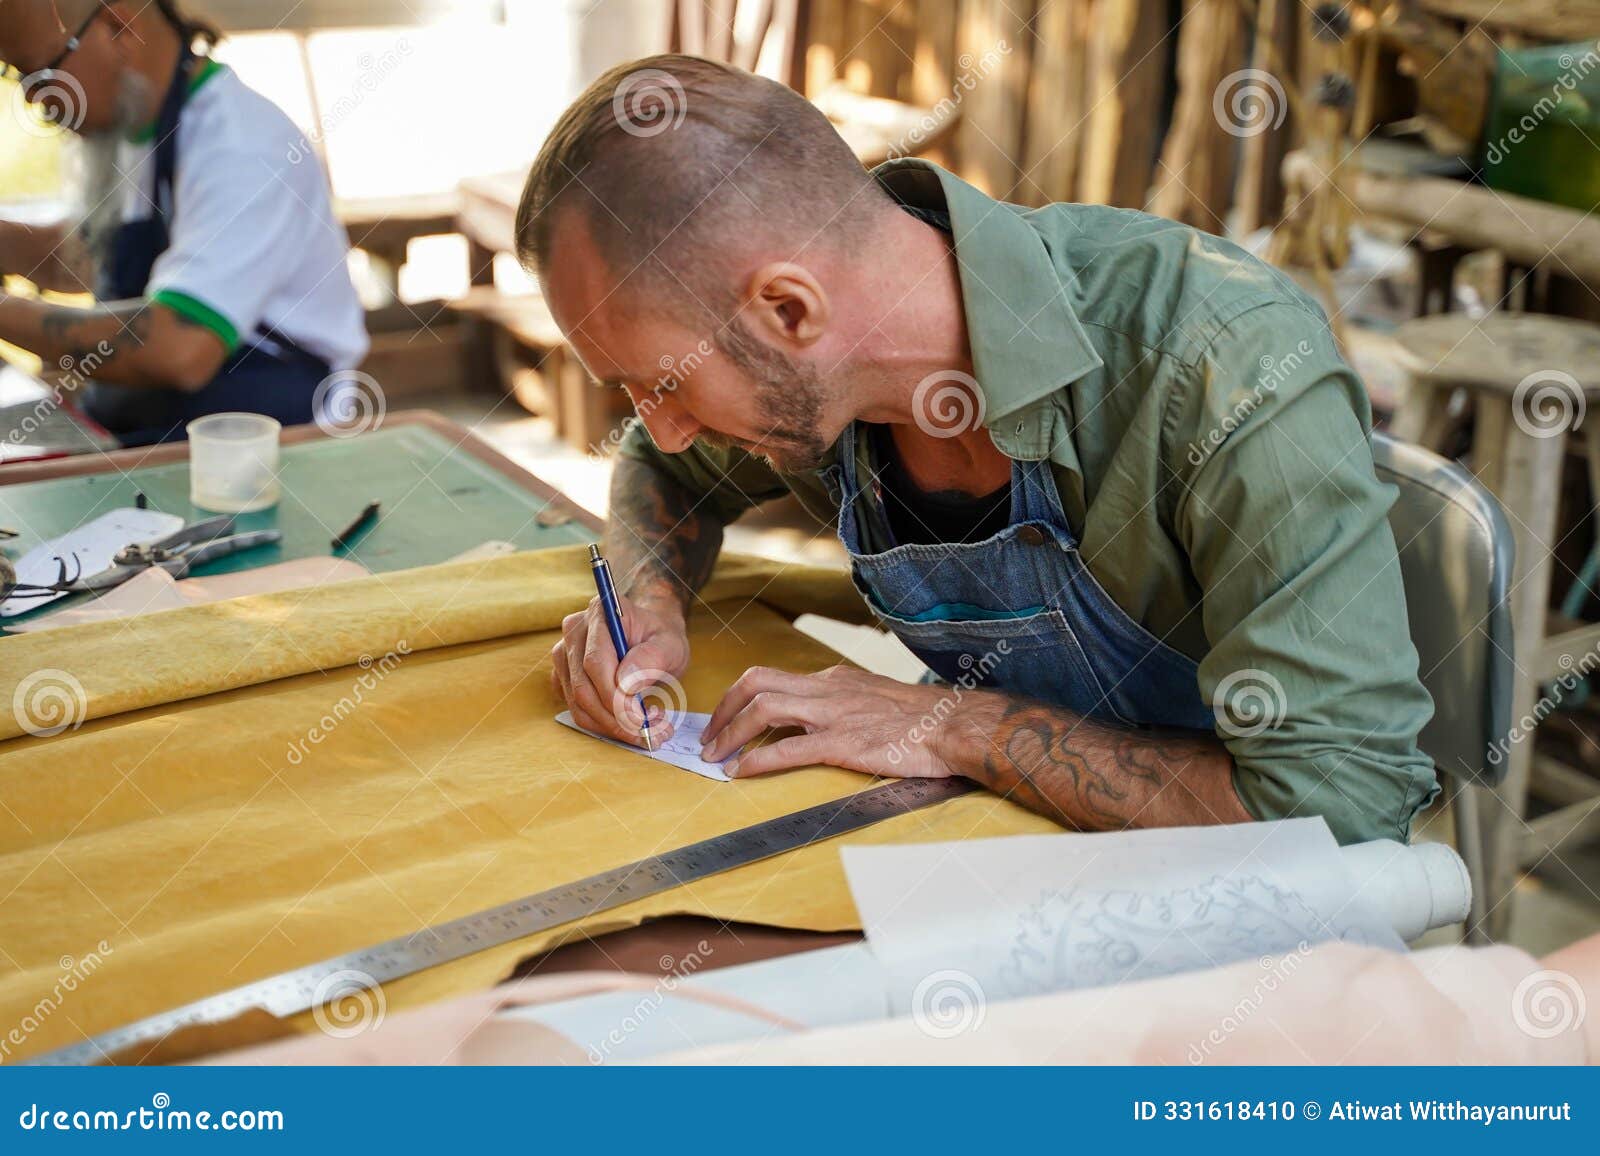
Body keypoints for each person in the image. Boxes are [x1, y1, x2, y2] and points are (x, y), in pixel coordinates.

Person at [520, 54, 1437, 845]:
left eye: (667, 382)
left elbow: (1341, 803)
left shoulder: (1221, 364)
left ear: (790, 310)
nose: (664, 418)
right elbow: (659, 464)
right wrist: (647, 598)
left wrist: (957, 727)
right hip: (991, 842)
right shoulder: (821, 375)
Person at [0, 0, 367, 445]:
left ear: (119, 27)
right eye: (16, 77)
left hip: (272, 447)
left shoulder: (243, 147)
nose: (35, 101)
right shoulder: (135, 127)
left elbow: (178, 350)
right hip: (156, 430)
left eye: (41, 71)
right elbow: (91, 260)